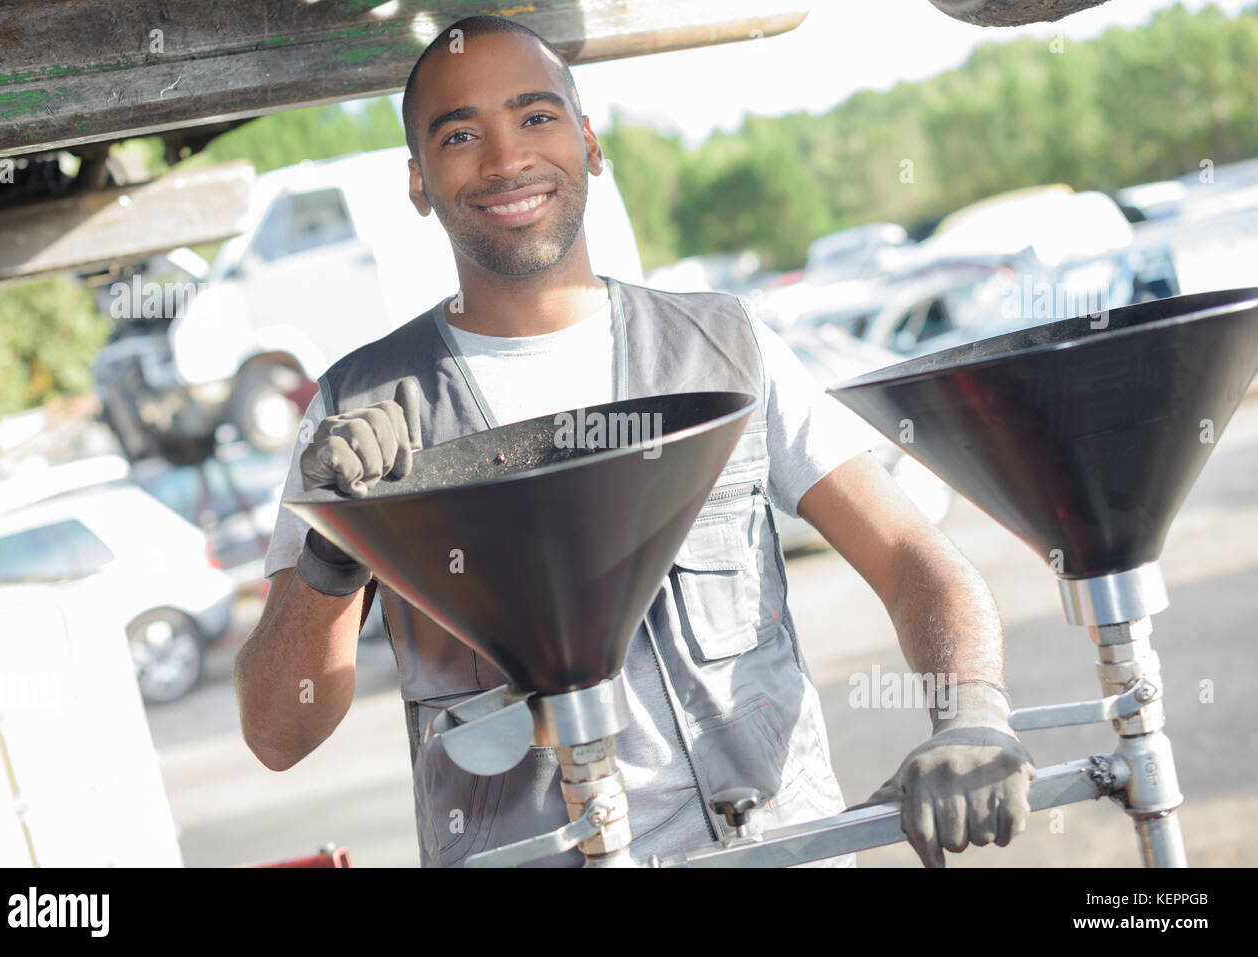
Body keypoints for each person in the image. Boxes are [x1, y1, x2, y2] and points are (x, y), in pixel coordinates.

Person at [233, 14, 1034, 868]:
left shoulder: (726, 346)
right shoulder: (360, 407)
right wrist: (331, 553)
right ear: (418, 182)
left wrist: (973, 709)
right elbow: (278, 732)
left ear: (590, 143)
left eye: (536, 117)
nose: (506, 160)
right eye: (460, 134)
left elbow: (915, 556)